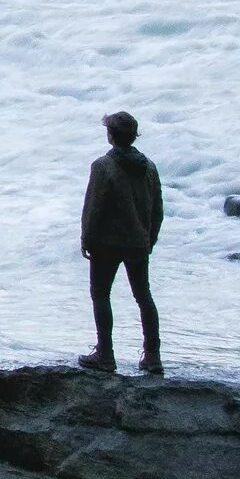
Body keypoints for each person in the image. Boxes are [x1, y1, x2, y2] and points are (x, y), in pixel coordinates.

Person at [79, 109, 163, 375]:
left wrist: (86, 238)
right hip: (138, 242)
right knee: (144, 296)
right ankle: (153, 357)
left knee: (101, 294)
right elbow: (157, 209)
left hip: (107, 243)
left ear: (111, 135)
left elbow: (93, 207)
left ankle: (105, 354)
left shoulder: (102, 166)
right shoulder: (149, 167)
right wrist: (150, 238)